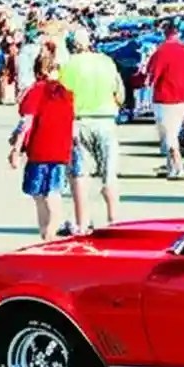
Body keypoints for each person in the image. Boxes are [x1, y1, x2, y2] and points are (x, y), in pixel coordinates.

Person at [58, 29, 124, 233]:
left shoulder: (67, 65)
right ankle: (114, 220)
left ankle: (82, 222)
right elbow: (119, 94)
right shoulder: (106, 62)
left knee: (79, 174)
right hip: (105, 119)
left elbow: (60, 96)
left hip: (77, 122)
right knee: (109, 173)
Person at [10, 53, 76, 240]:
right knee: (53, 195)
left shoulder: (36, 90)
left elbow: (26, 122)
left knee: (39, 196)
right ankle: (48, 234)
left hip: (39, 151)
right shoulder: (67, 93)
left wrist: (16, 148)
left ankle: (46, 235)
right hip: (61, 151)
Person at [145, 21, 184, 180]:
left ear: (165, 33)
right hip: (183, 97)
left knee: (168, 134)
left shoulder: (161, 51)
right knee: (172, 131)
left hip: (164, 97)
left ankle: (178, 167)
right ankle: (171, 167)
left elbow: (152, 74)